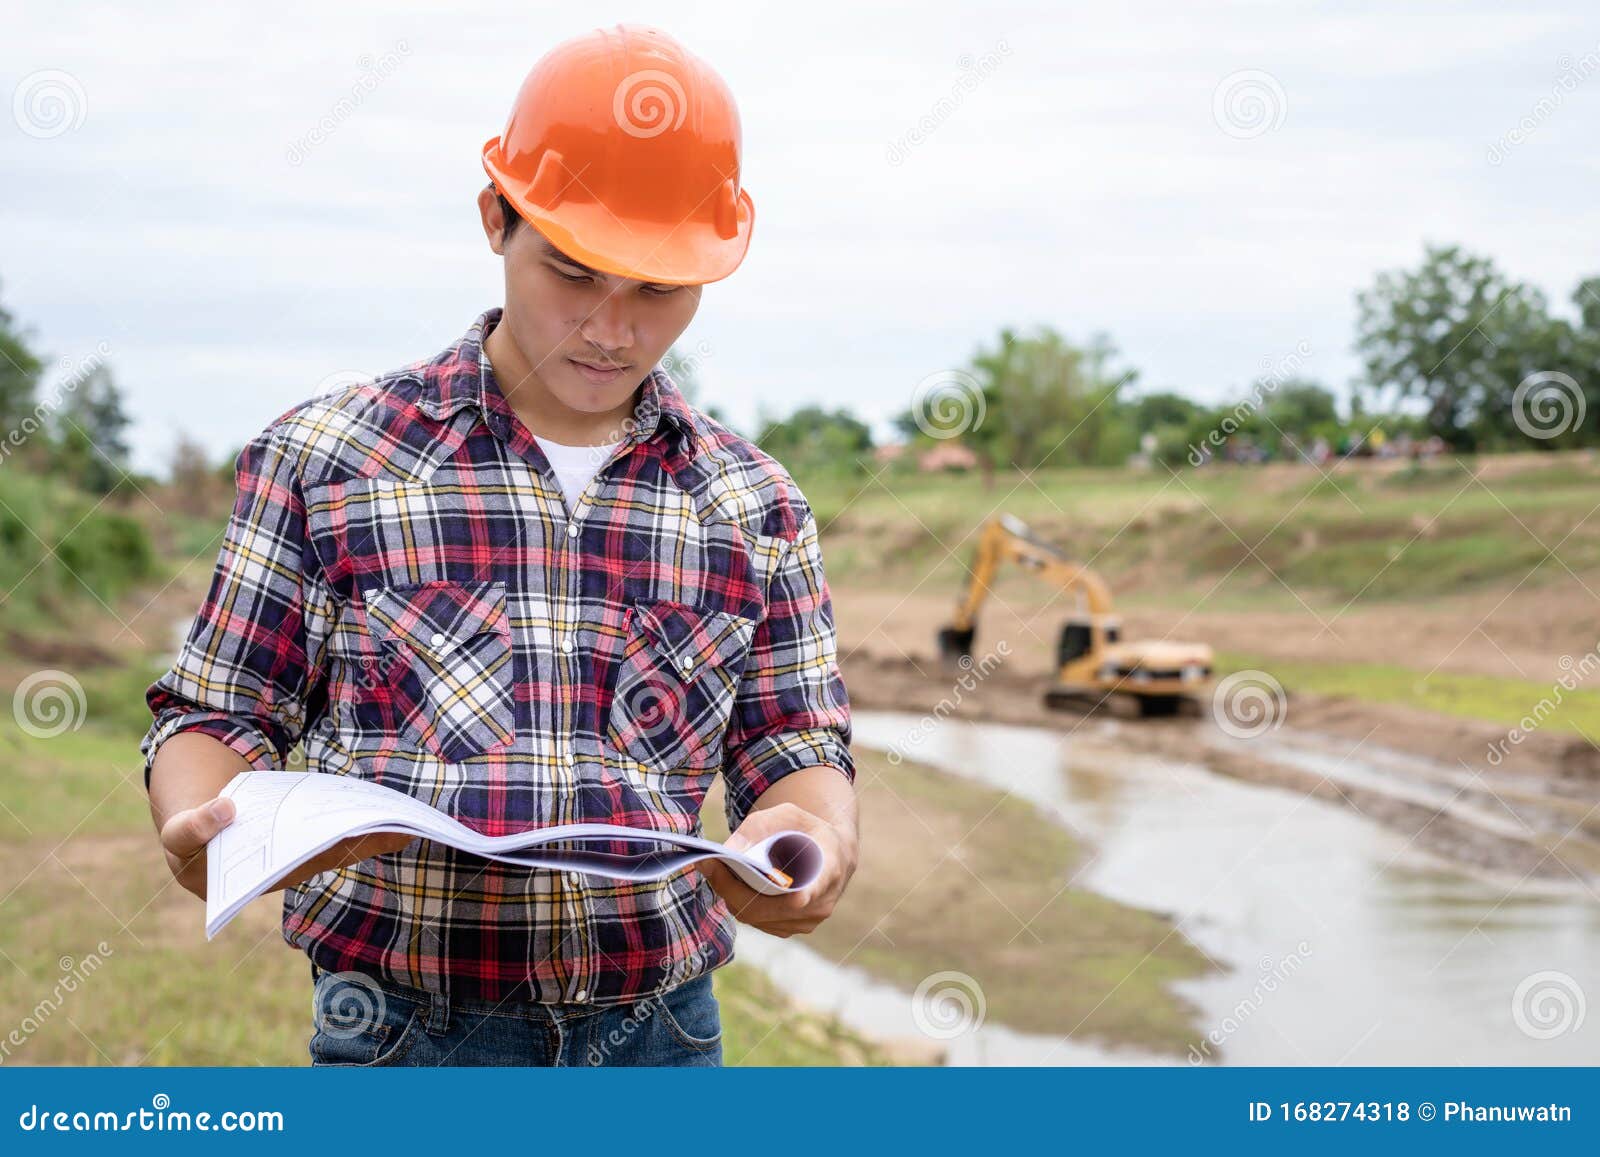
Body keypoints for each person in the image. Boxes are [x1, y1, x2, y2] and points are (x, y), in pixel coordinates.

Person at [140, 24, 858, 1068]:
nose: (610, 328)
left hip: (660, 1036)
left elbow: (794, 747)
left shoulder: (754, 504)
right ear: (496, 219)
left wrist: (812, 842)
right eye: (572, 273)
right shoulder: (325, 459)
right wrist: (205, 823)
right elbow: (219, 713)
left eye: (658, 289)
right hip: (402, 1037)